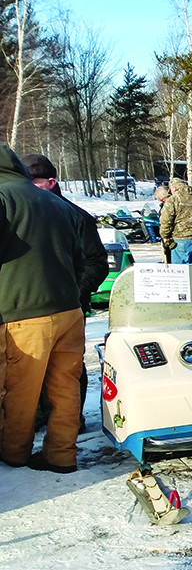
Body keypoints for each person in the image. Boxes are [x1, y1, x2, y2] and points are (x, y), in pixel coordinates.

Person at [0, 145, 85, 473]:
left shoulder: (5, 199)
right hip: (69, 310)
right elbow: (78, 258)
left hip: (22, 314)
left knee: (19, 391)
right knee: (65, 386)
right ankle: (62, 454)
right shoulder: (57, 203)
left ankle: (13, 454)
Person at [23, 154, 107, 433]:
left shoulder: (76, 217)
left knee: (68, 367)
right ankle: (36, 415)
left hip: (69, 307)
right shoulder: (23, 216)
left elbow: (97, 263)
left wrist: (72, 294)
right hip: (31, 308)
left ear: (51, 182)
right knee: (31, 365)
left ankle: (72, 418)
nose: (29, 188)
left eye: (34, 183)